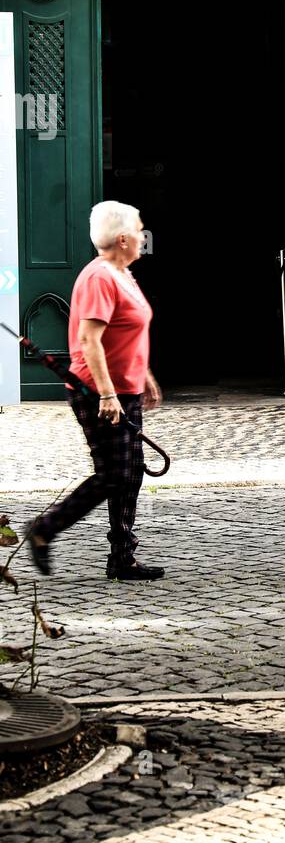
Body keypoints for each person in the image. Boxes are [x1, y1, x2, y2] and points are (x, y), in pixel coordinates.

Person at [27, 201, 165, 580]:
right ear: (122, 238)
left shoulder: (123, 274)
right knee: (113, 474)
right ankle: (45, 529)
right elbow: (90, 341)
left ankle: (122, 558)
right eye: (139, 229)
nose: (143, 236)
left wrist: (144, 373)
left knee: (131, 472)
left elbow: (127, 332)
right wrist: (107, 394)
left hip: (126, 389)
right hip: (97, 391)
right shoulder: (99, 278)